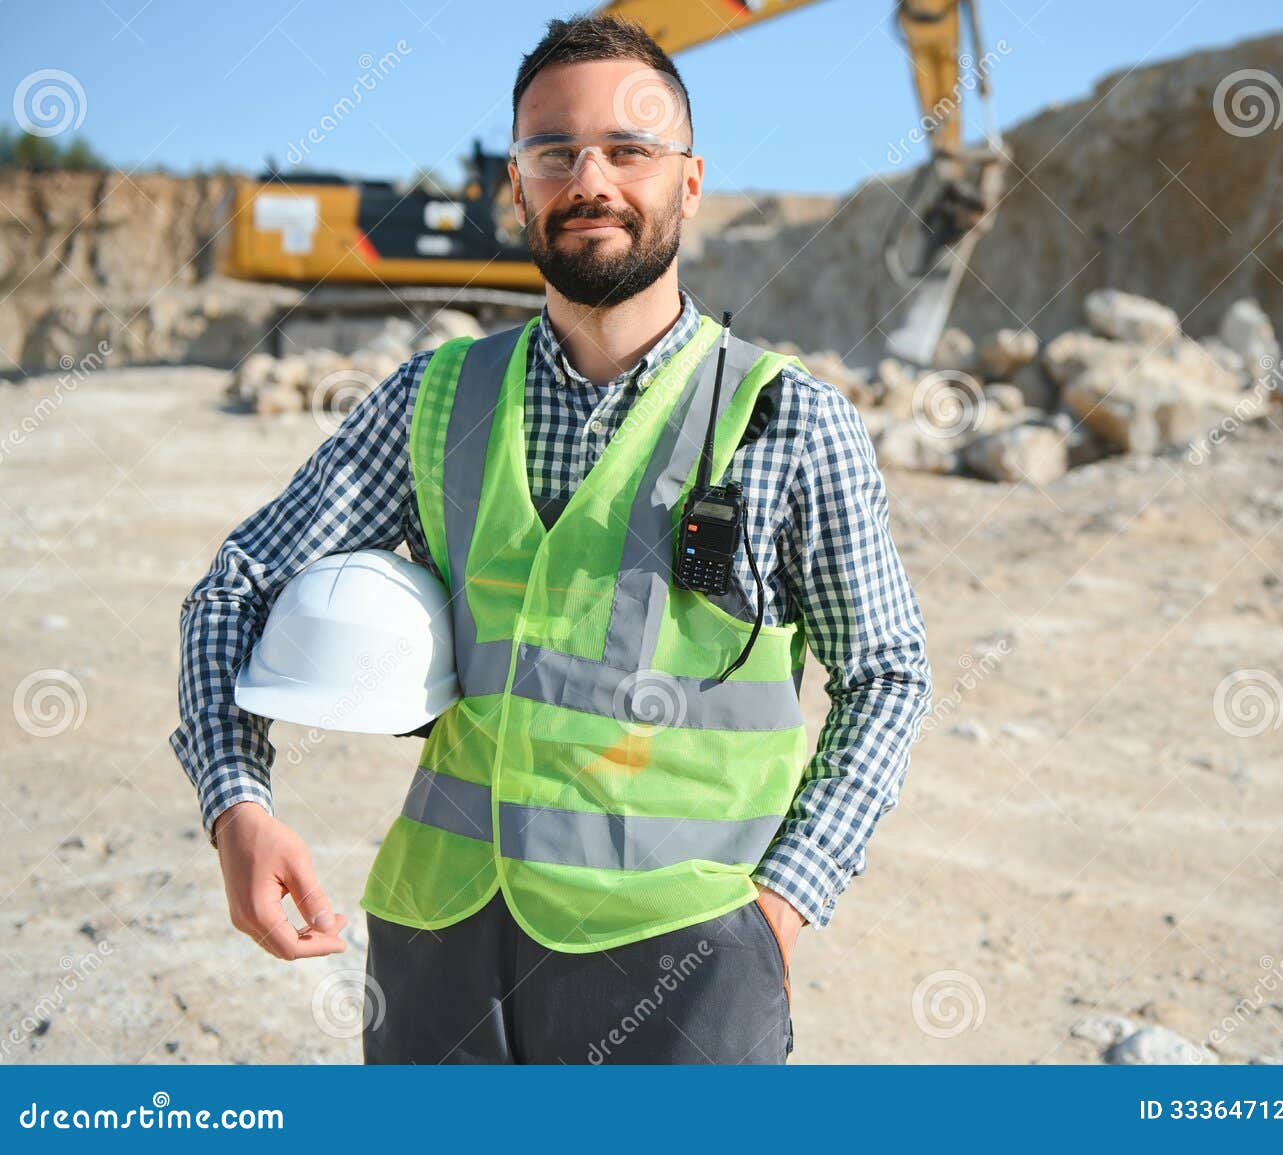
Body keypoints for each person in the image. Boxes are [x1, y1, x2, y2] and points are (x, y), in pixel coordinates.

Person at [171, 14, 932, 1064]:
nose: (592, 179)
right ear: (515, 187)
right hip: (438, 945)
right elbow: (238, 586)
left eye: (629, 151)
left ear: (690, 182)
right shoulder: (433, 401)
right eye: (554, 151)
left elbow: (887, 674)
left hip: (687, 958)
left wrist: (782, 905)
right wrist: (237, 806)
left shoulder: (789, 422)